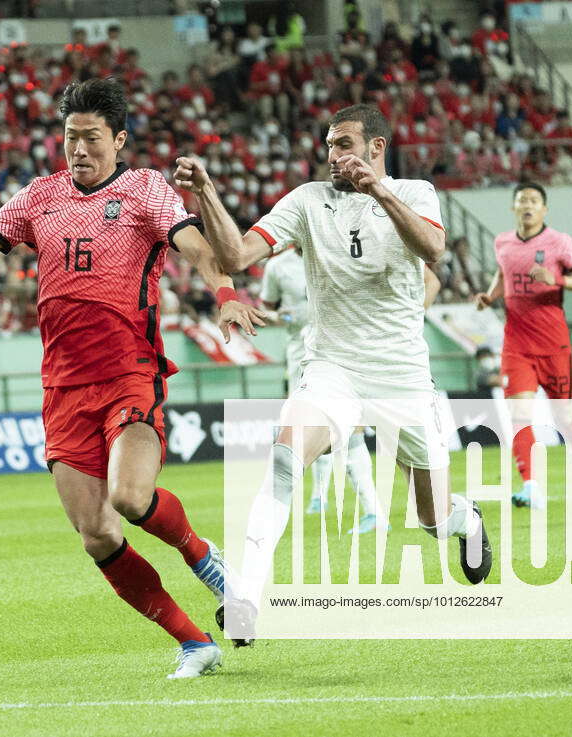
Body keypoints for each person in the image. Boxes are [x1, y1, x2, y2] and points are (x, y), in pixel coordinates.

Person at [0, 78, 266, 679]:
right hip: (62, 390)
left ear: (118, 139)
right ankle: (195, 643)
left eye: (91, 138)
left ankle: (209, 563)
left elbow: (199, 248)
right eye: (70, 138)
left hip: (128, 375)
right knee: (97, 535)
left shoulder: (146, 190)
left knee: (131, 499)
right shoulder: (41, 196)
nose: (79, 149)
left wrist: (223, 293)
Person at [175, 103, 494, 643]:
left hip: (403, 376)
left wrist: (379, 192)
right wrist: (205, 194)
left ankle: (468, 521)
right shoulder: (307, 200)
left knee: (432, 519)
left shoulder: (414, 192)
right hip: (333, 370)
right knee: (282, 459)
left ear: (376, 149)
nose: (333, 155)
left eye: (344, 144)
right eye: (329, 145)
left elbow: (434, 248)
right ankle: (246, 596)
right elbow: (235, 257)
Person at [473, 182, 572, 505]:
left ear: (544, 210)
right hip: (516, 345)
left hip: (554, 345)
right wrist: (491, 296)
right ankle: (531, 486)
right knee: (519, 414)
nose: (527, 205)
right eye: (522, 200)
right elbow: (503, 276)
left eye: (534, 200)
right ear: (513, 207)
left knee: (565, 415)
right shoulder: (502, 242)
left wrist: (557, 279)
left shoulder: (559, 242)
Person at [260, 247, 389, 534]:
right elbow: (268, 307)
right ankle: (323, 495)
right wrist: (282, 316)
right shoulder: (278, 266)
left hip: (339, 349)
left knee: (349, 426)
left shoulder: (335, 250)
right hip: (300, 355)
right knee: (317, 428)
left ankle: (373, 512)